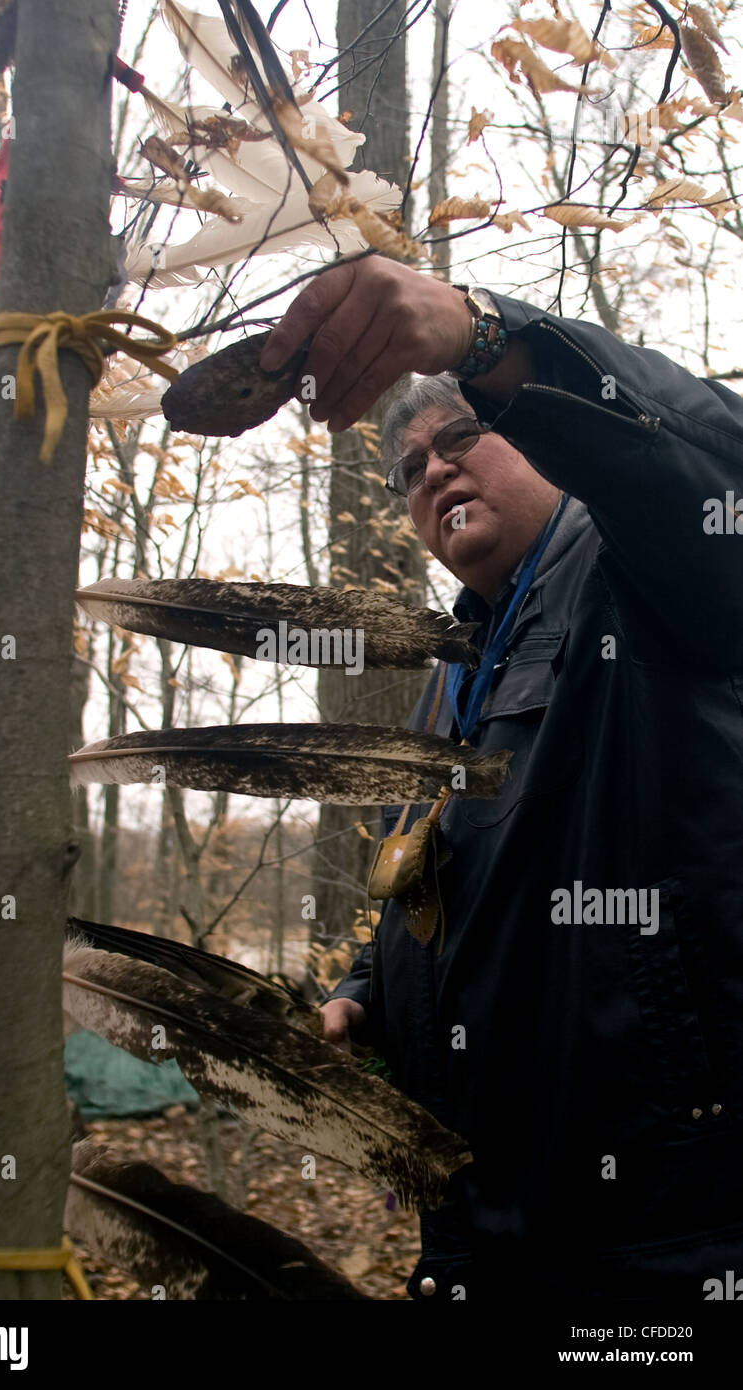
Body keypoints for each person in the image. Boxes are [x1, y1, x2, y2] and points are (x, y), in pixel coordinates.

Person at [260, 258, 743, 1303]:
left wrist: (489, 340)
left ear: (542, 441)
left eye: (461, 440)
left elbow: (713, 473)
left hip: (666, 1233)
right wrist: (361, 1004)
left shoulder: (636, 568)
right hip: (485, 1236)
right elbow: (449, 901)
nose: (431, 473)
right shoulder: (448, 677)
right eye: (407, 470)